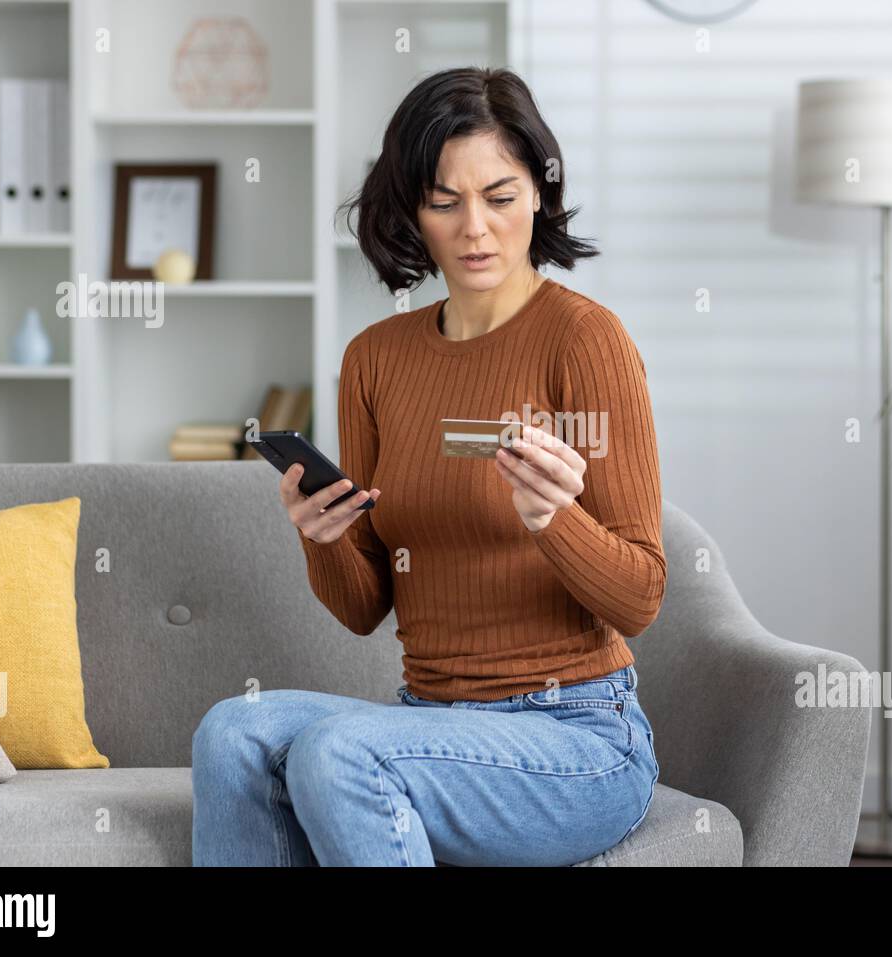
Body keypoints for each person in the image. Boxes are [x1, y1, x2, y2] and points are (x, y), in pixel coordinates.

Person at [192, 66, 665, 867]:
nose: (475, 228)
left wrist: (556, 521)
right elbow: (364, 606)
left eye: (501, 195)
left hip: (579, 736)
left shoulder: (586, 341)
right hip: (433, 722)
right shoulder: (376, 360)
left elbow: (642, 595)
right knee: (231, 730)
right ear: (413, 211)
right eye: (445, 202)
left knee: (338, 751)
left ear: (540, 195)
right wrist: (323, 534)